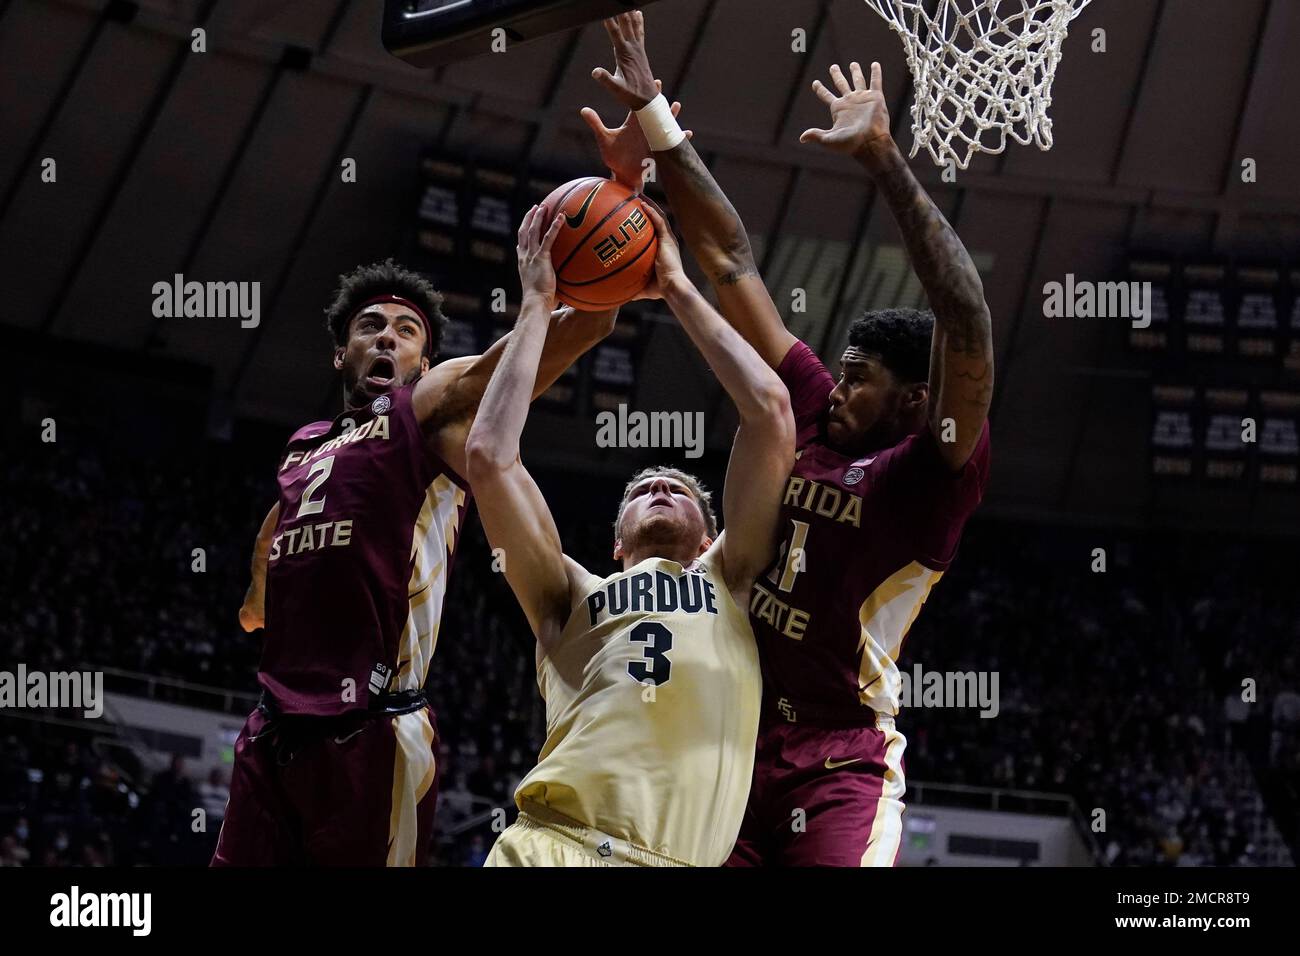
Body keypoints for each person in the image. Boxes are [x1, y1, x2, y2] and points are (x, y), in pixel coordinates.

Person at [590, 11, 993, 866]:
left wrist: (884, 159)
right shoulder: (816, 407)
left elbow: (966, 316)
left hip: (839, 758)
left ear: (914, 401)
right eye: (839, 370)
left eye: (860, 377)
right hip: (731, 739)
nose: (835, 386)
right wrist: (657, 115)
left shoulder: (929, 474)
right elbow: (733, 263)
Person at [213, 259, 618, 866]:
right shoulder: (305, 445)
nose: (386, 336)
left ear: (423, 364)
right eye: (370, 325)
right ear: (340, 354)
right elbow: (279, 519)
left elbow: (564, 341)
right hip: (273, 726)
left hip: (374, 730)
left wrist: (573, 292)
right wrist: (256, 597)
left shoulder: (426, 412)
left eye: (406, 331)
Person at [467, 199, 794, 867]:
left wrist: (673, 283)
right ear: (616, 545)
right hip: (551, 845)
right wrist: (536, 306)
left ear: (709, 537)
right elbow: (488, 458)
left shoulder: (730, 580)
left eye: (677, 489)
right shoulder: (568, 593)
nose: (659, 488)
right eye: (641, 490)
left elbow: (769, 410)